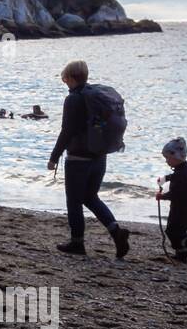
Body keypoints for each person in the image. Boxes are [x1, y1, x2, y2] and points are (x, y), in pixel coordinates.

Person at [47, 60, 129, 257]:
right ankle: (116, 232)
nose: (65, 82)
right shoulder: (95, 96)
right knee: (90, 197)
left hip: (78, 158)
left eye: (64, 79)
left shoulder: (73, 99)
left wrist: (54, 157)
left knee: (74, 201)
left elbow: (67, 131)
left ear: (71, 78)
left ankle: (77, 243)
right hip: (99, 155)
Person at [156, 137, 187, 263]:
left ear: (176, 157)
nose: (166, 161)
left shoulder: (180, 174)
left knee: (172, 231)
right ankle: (182, 253)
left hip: (182, 209)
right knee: (178, 231)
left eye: (168, 158)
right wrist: (165, 178)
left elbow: (175, 194)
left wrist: (162, 196)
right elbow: (175, 177)